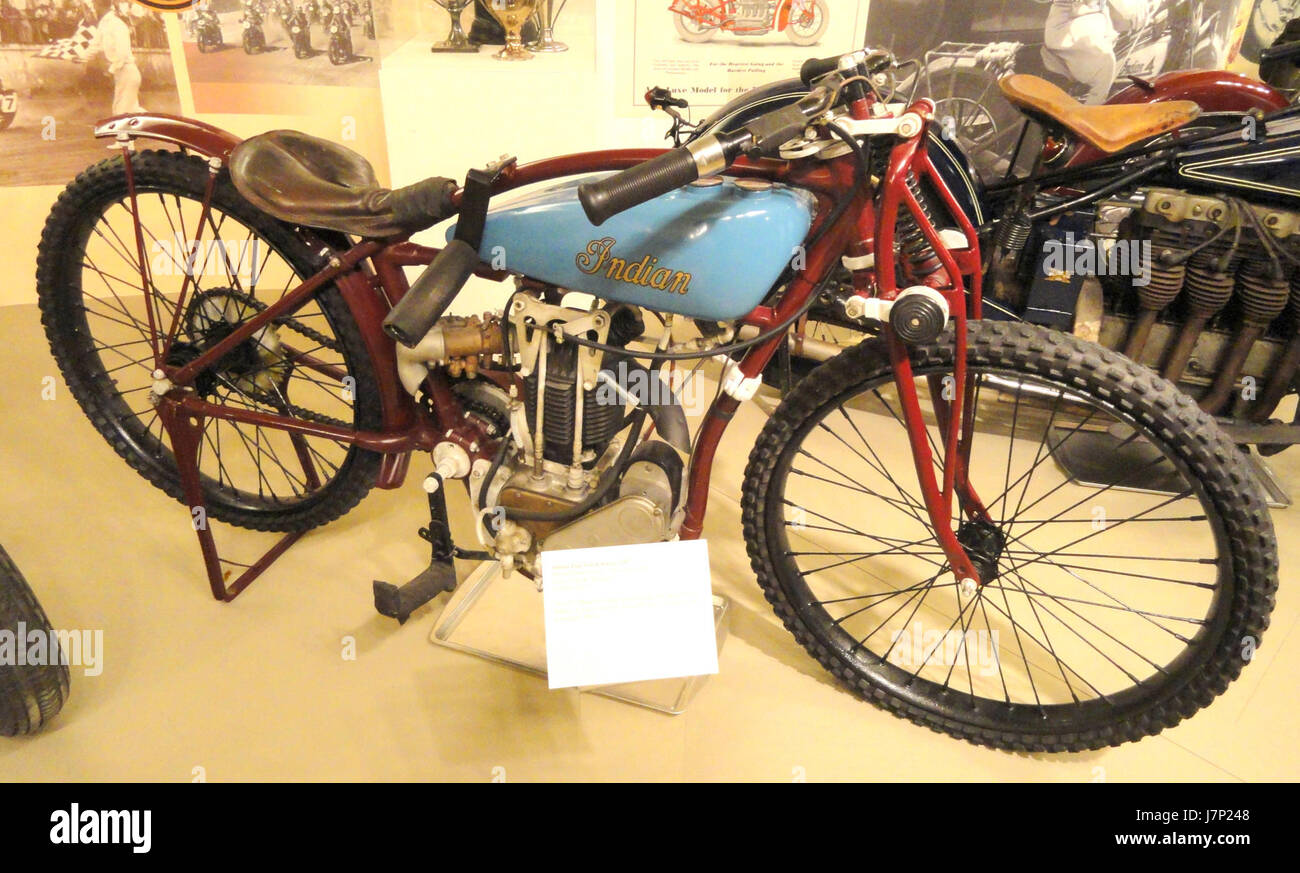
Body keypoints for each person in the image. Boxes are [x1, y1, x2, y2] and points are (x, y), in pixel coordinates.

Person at [1042, 0, 1152, 104]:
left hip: (1097, 20)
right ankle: (1091, 108)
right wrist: (1131, 8)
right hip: (1069, 24)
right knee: (1106, 62)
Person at [88, 0, 143, 115]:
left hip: (127, 73)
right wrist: (80, 58)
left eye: (94, 6)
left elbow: (122, 53)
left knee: (121, 112)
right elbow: (95, 45)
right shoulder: (103, 24)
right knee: (131, 111)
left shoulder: (117, 24)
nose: (93, 10)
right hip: (121, 74)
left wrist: (111, 70)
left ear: (99, 6)